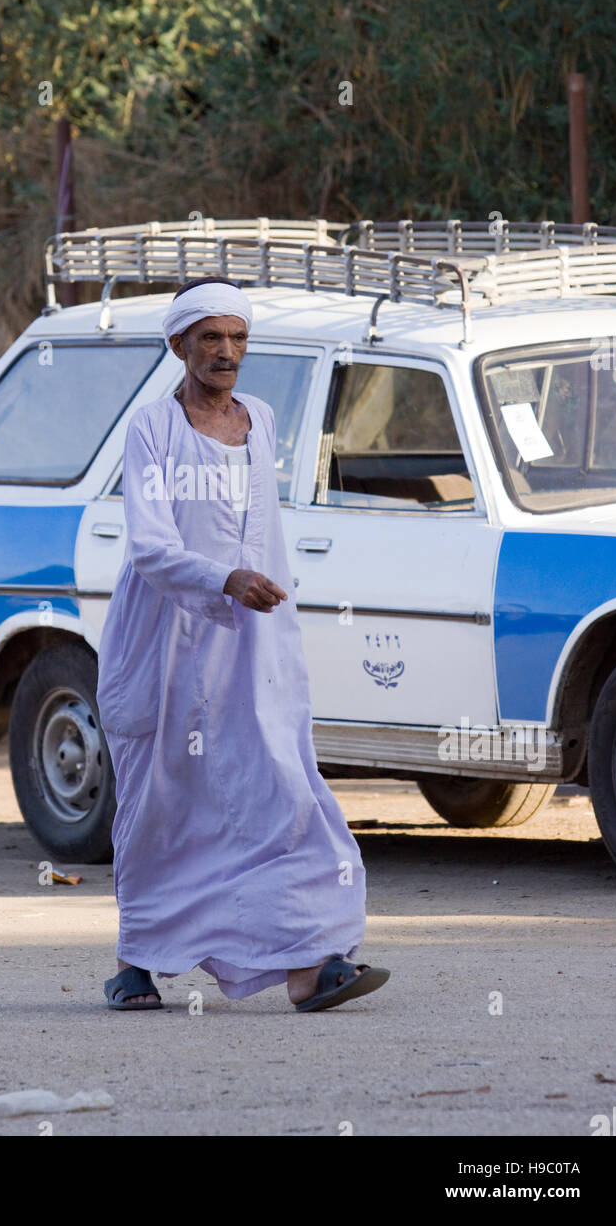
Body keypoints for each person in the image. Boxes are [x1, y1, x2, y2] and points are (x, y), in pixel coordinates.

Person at [95, 275, 389, 1011]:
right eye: (210, 339)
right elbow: (152, 547)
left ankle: (308, 964)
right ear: (179, 346)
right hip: (166, 647)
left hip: (252, 647)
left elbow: (263, 537)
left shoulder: (257, 417)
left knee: (281, 792)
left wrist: (267, 615)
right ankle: (139, 959)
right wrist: (225, 579)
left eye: (237, 338)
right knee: (164, 803)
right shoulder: (151, 430)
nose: (227, 352)